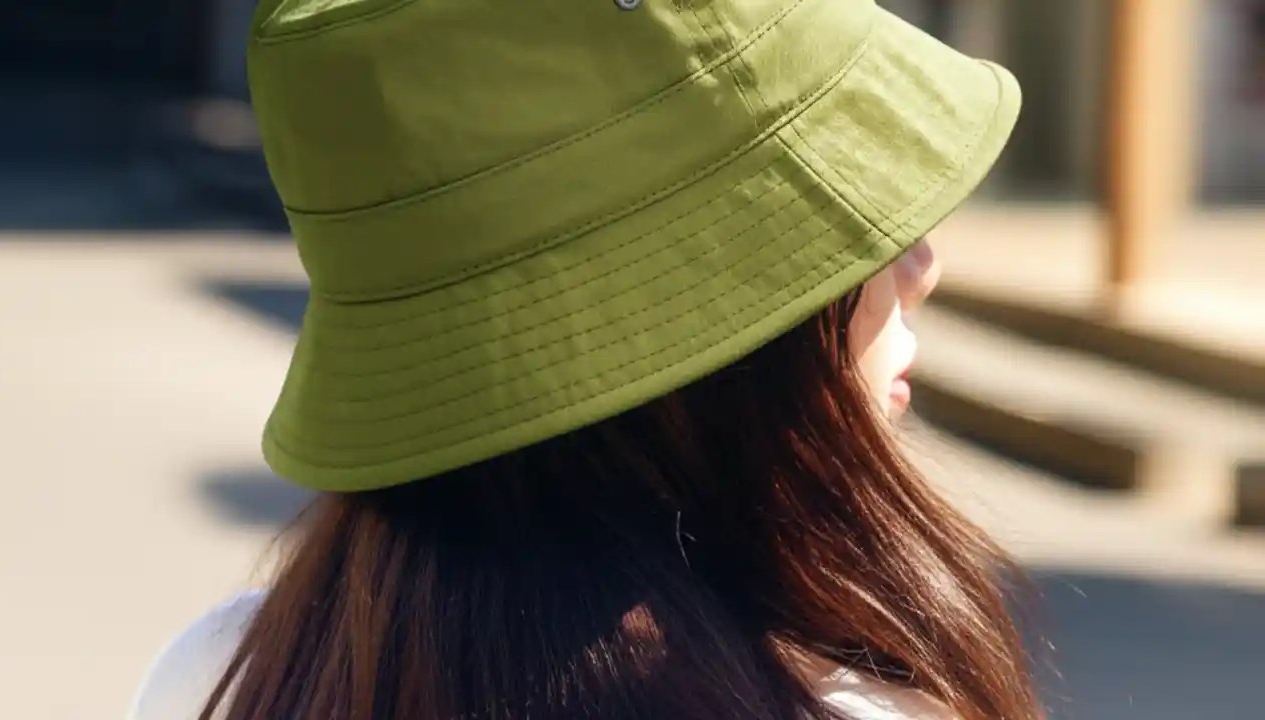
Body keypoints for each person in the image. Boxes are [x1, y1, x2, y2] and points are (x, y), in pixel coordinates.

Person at [131, 0, 1039, 718]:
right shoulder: (852, 705)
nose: (920, 265)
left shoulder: (224, 679)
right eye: (820, 225)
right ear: (685, 308)